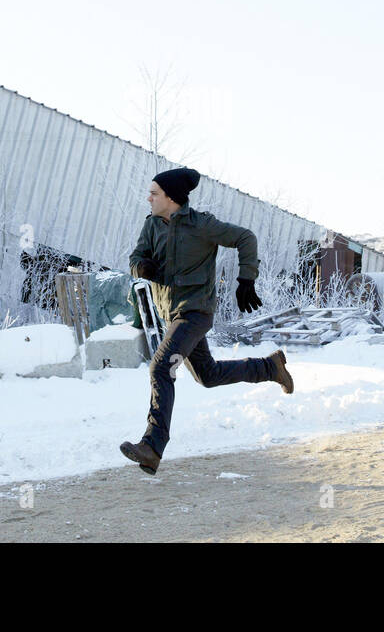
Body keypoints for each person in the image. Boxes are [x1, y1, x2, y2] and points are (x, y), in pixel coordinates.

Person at [119, 167, 294, 475]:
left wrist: (246, 280)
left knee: (161, 366)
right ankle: (271, 367)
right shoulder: (151, 226)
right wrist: (141, 267)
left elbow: (245, 237)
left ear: (171, 198)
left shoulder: (202, 225)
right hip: (171, 315)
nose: (148, 198)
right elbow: (135, 258)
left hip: (195, 311)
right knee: (208, 375)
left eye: (154, 193)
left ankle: (153, 446)